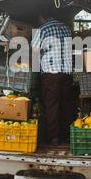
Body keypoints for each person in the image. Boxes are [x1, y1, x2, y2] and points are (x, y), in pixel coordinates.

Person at [31, 14, 73, 146]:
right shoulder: (66, 28)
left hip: (50, 72)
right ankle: (66, 136)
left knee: (52, 105)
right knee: (66, 104)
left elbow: (35, 50)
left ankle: (54, 138)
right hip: (67, 72)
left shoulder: (43, 29)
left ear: (42, 17)